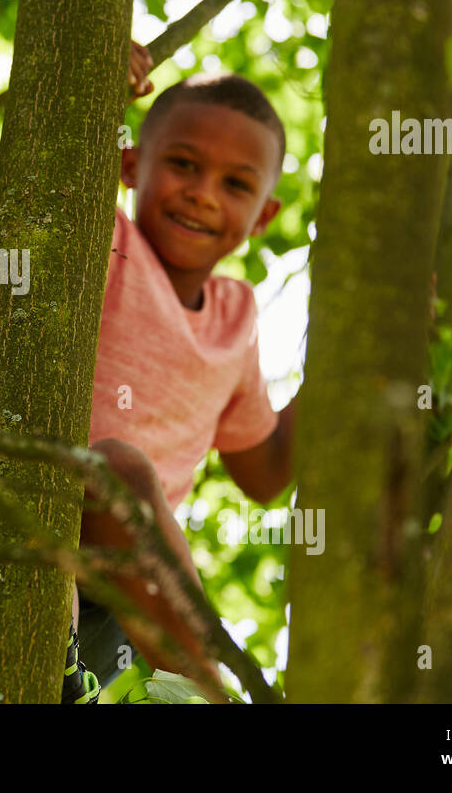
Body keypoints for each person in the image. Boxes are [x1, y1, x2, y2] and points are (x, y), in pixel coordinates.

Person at [62, 64, 297, 703]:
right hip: (39, 518)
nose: (203, 193)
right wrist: (102, 75)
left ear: (264, 215)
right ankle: (210, 692)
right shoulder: (102, 240)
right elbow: (56, 163)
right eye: (184, 165)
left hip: (126, 598)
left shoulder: (234, 318)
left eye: (236, 184)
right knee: (113, 467)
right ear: (131, 165)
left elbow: (266, 472)